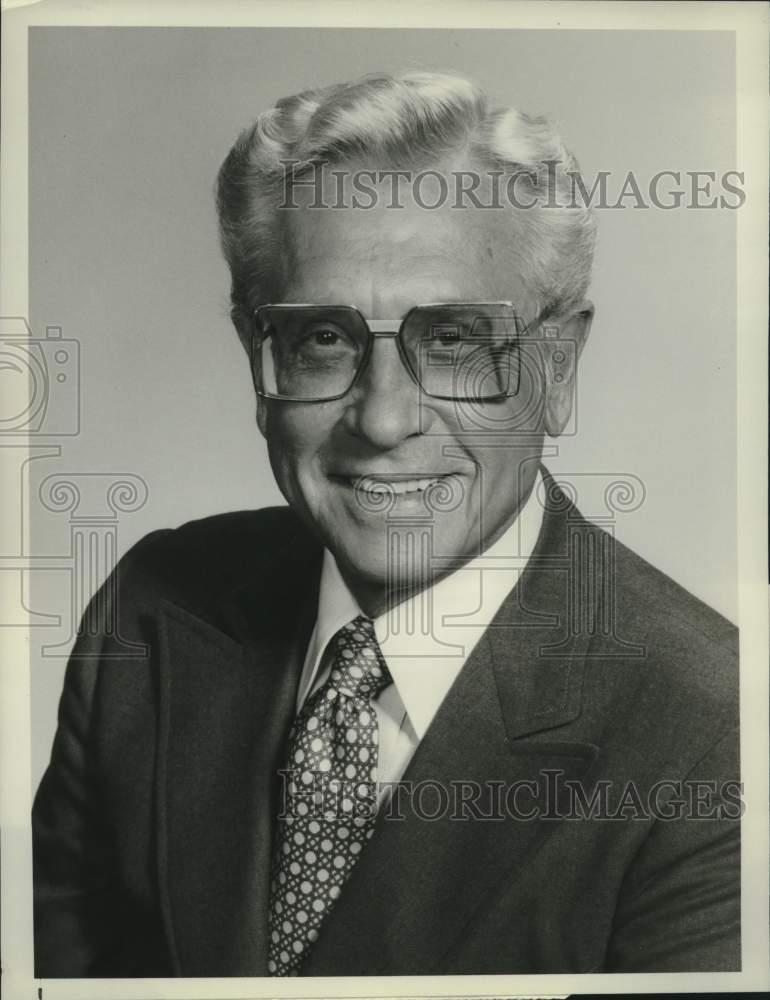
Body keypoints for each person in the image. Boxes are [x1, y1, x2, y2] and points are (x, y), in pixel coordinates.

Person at [32, 72, 740, 978]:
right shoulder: (150, 615)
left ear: (557, 369)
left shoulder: (715, 737)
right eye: (323, 338)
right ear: (259, 359)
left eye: (452, 339)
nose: (382, 420)